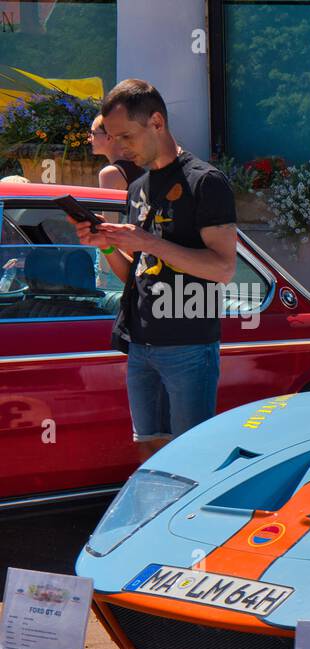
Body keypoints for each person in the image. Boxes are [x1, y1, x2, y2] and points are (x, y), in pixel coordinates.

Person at [70, 79, 236, 461]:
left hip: (189, 342)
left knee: (190, 458)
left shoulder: (205, 182)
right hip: (141, 340)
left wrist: (147, 242)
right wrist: (108, 243)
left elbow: (224, 268)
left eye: (125, 136)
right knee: (149, 451)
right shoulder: (138, 186)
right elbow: (137, 274)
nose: (119, 148)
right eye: (112, 138)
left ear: (157, 122)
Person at [89, 113, 144, 191]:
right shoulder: (138, 167)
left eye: (93, 133)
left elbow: (106, 203)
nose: (89, 139)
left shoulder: (110, 173)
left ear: (109, 137)